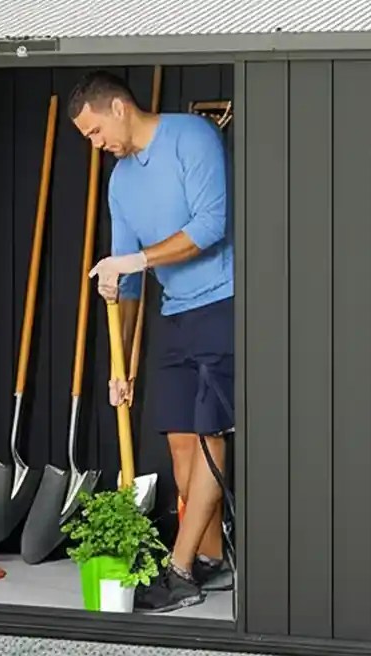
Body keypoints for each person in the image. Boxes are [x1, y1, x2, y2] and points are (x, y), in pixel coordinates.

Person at [67, 70, 235, 613]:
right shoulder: (120, 180)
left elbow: (211, 225)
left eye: (95, 133)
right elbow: (128, 280)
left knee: (209, 437)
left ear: (118, 107)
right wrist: (124, 360)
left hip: (223, 303)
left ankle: (180, 570)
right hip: (175, 314)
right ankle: (211, 558)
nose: (96, 146)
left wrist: (136, 259)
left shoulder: (193, 137)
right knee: (181, 444)